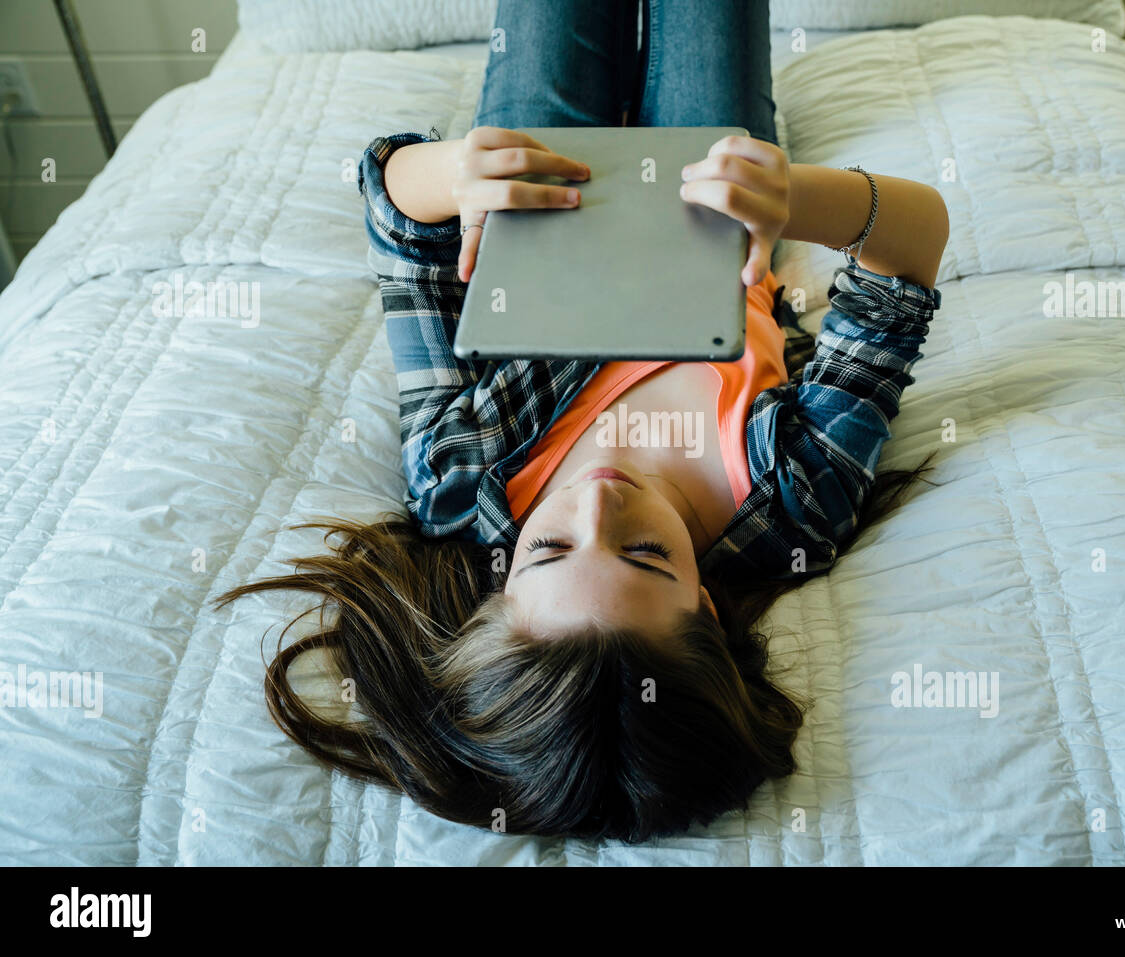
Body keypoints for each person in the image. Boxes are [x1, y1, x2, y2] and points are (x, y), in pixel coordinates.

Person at [214, 0, 949, 844]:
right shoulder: (796, 498)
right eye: (647, 554)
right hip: (707, 199)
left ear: (496, 590)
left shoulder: (463, 477)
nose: (599, 501)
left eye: (549, 549)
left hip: (539, 193)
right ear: (708, 610)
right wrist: (796, 197)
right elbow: (913, 245)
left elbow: (395, 217)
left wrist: (455, 174)